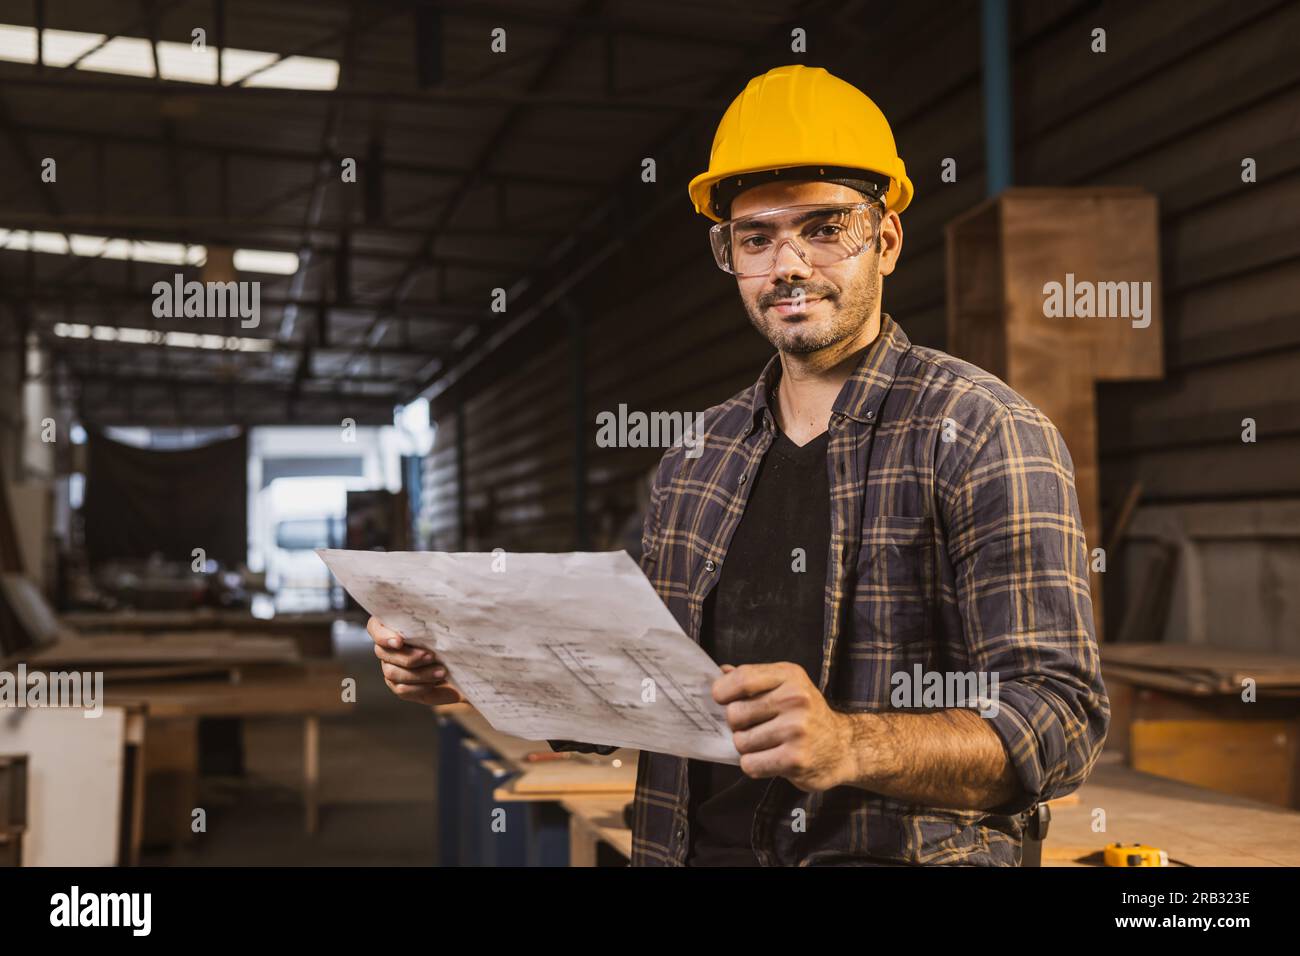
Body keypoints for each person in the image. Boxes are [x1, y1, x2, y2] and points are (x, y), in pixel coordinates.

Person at [368, 64, 1108, 866]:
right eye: (756, 238)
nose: (788, 265)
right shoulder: (698, 457)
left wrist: (847, 745)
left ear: (886, 240)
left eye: (824, 229)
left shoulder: (979, 430)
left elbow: (1060, 720)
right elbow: (638, 689)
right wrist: (474, 666)